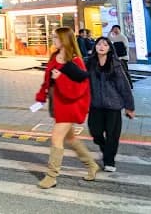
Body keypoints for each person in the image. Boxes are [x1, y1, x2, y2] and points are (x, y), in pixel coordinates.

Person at [34, 27, 99, 189]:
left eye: (56, 37)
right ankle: (91, 165)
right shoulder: (55, 57)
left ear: (65, 39)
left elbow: (81, 88)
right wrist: (41, 96)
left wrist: (61, 78)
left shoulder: (75, 61)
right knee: (70, 138)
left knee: (56, 138)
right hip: (57, 103)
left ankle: (52, 176)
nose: (53, 39)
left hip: (69, 105)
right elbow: (47, 80)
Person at [86, 37, 135, 172]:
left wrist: (129, 107)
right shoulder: (89, 63)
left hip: (113, 106)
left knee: (112, 136)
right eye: (99, 44)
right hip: (95, 105)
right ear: (95, 47)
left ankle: (109, 161)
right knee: (95, 132)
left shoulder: (115, 64)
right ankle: (106, 150)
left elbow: (124, 86)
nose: (101, 46)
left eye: (105, 45)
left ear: (109, 48)